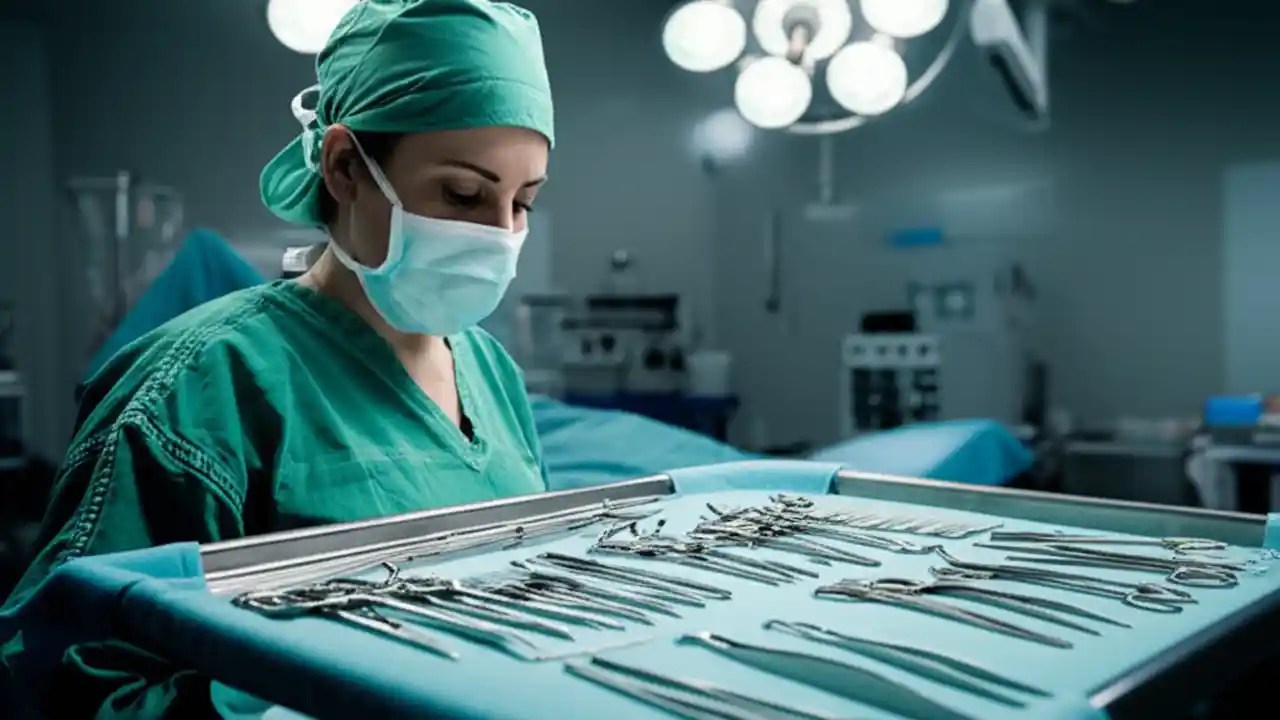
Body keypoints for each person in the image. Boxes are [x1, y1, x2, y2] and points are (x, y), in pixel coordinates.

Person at [0, 0, 554, 715]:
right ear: (345, 166)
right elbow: (70, 684)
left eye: (523, 202)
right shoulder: (194, 390)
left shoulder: (492, 372)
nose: (500, 235)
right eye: (463, 194)